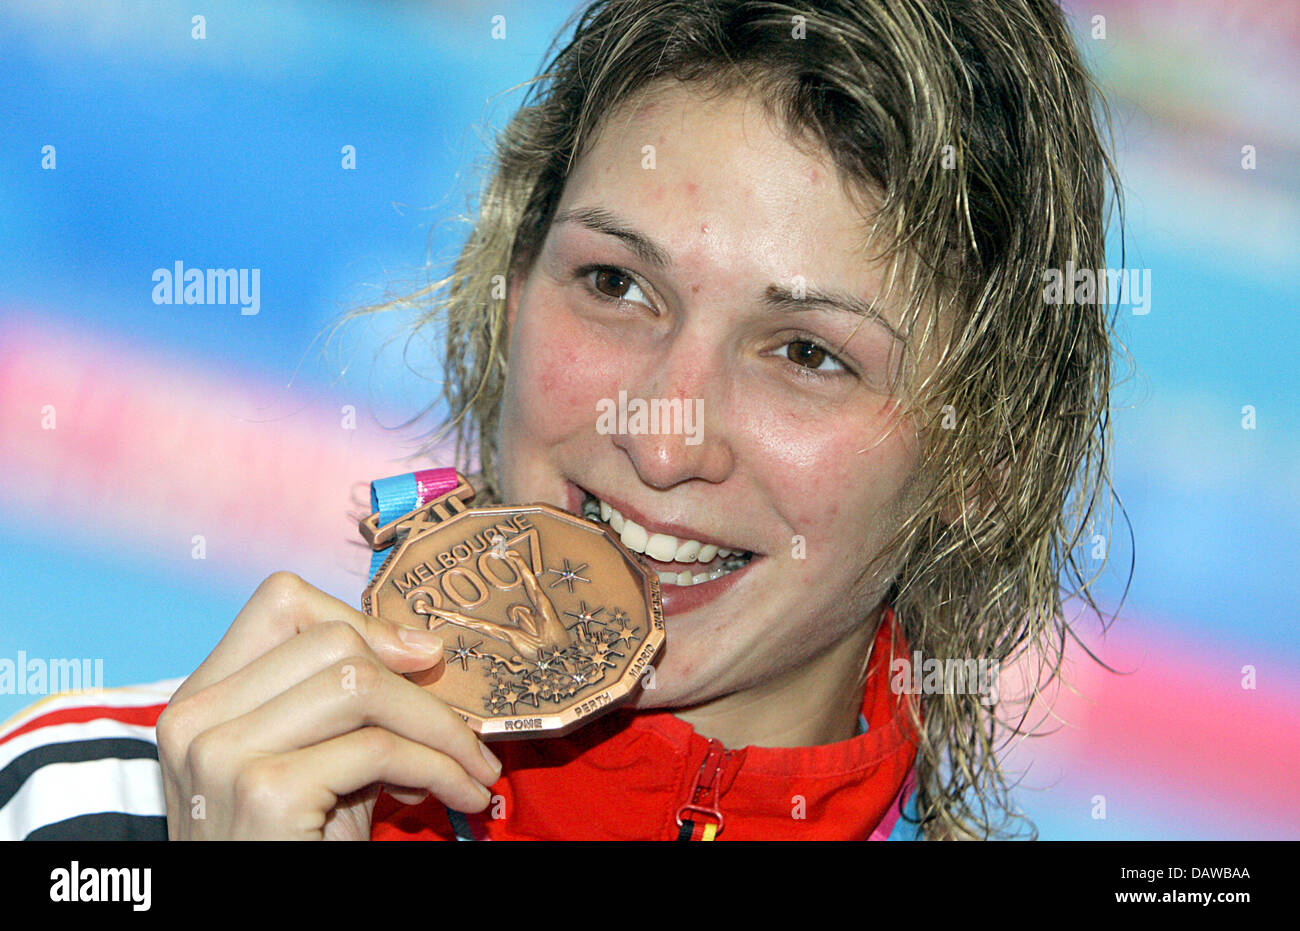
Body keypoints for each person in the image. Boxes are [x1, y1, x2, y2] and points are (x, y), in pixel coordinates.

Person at [0, 0, 1123, 841]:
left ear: (991, 458)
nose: (661, 436)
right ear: (511, 285)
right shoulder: (87, 808)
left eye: (807, 354)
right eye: (616, 285)